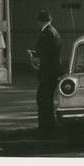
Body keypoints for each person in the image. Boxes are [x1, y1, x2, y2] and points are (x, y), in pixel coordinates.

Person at [29, 9, 62, 138]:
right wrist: (37, 55)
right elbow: (49, 51)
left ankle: (47, 129)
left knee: (44, 100)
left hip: (49, 72)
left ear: (39, 21)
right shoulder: (50, 32)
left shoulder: (48, 33)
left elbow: (50, 54)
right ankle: (46, 128)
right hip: (50, 71)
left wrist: (39, 59)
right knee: (44, 100)